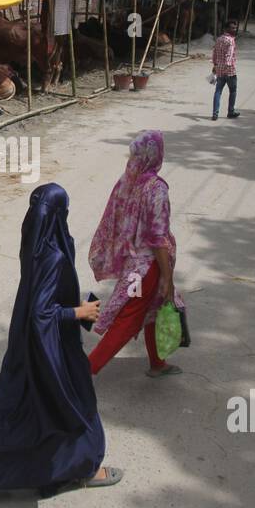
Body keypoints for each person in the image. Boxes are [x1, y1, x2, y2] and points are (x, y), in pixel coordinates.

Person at [0, 183, 119, 508]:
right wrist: (78, 312)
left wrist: (76, 308)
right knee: (76, 406)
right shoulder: (54, 256)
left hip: (28, 347)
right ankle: (84, 468)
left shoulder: (36, 246)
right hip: (52, 352)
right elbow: (42, 314)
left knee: (16, 411)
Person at [87, 130, 186, 379]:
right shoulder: (156, 189)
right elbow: (158, 239)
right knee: (129, 318)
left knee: (153, 308)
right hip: (148, 268)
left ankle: (158, 363)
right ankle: (83, 372)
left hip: (133, 263)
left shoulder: (128, 180)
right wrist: (167, 277)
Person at [211, 19, 240, 120]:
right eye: (232, 28)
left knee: (218, 91)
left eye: (235, 28)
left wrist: (215, 65)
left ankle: (215, 113)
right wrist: (227, 65)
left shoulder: (218, 39)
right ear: (227, 28)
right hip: (229, 70)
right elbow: (229, 54)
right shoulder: (231, 40)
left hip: (219, 69)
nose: (234, 29)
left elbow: (214, 53)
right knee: (233, 91)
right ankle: (231, 112)